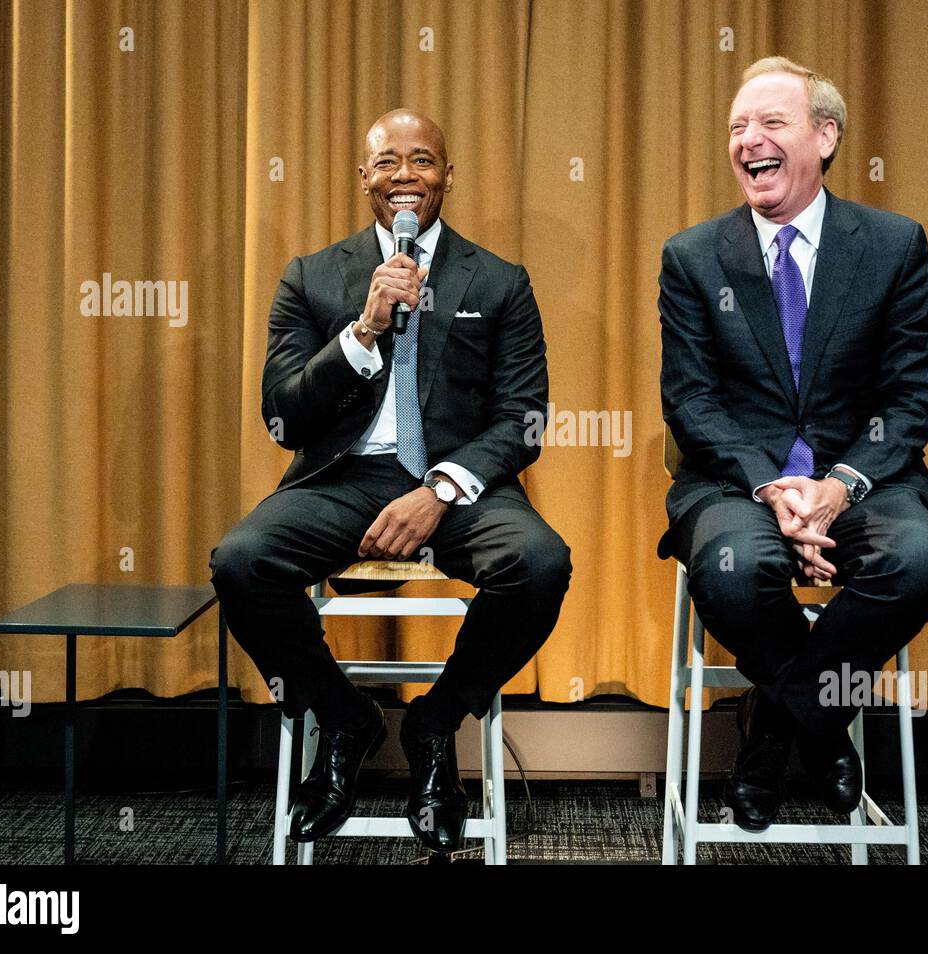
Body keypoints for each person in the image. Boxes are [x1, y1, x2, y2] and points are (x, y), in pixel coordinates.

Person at [210, 109, 571, 853]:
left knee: (540, 564)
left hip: (456, 484)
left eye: (422, 161)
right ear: (365, 179)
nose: (405, 175)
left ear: (447, 175)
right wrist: (362, 332)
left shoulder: (500, 281)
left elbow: (524, 419)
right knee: (241, 563)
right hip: (341, 477)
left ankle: (436, 725)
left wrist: (440, 488)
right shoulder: (312, 277)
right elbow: (283, 415)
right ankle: (344, 719)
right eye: (387, 163)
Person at [657, 57, 928, 831]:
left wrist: (839, 484)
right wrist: (774, 487)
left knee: (921, 565)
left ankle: (778, 727)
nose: (748, 141)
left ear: (825, 137)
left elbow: (912, 394)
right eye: (736, 128)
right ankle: (821, 723)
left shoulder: (892, 245)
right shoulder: (692, 257)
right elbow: (691, 400)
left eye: (770, 124)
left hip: (865, 482)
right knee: (729, 571)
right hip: (735, 486)